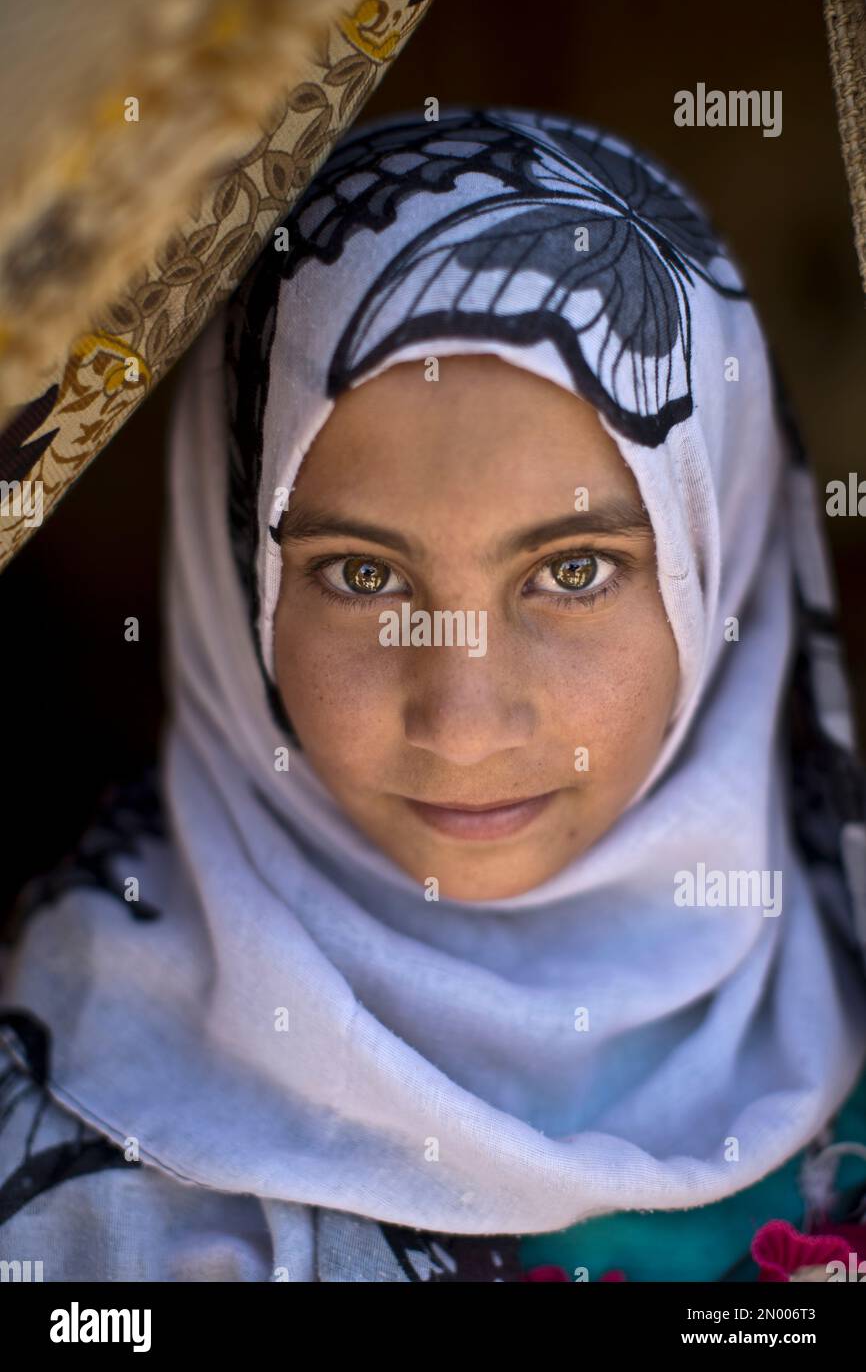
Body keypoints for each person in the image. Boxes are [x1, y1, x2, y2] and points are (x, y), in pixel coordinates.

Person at [2, 106, 866, 1283]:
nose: (462, 722)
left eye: (572, 572)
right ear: (228, 586)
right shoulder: (55, 1111)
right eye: (362, 577)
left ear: (719, 561)